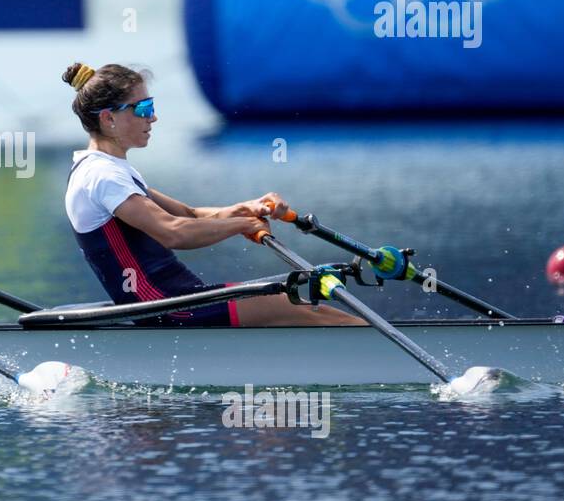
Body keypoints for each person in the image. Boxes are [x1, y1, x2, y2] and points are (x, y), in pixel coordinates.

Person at [61, 62, 362, 327]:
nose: (152, 118)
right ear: (108, 119)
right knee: (300, 307)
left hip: (178, 298)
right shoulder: (102, 176)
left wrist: (250, 208)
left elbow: (189, 215)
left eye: (150, 106)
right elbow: (174, 232)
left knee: (307, 309)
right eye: (143, 109)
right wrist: (242, 226)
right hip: (166, 305)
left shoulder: (110, 170)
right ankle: (389, 360)